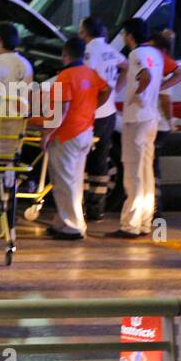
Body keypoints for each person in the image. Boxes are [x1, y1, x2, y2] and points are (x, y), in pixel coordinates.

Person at [42, 37, 110, 240]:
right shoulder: (91, 73)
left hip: (67, 135)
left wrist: (46, 134)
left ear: (65, 54)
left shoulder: (65, 76)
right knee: (75, 182)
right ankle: (65, 223)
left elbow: (61, 110)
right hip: (85, 132)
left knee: (64, 182)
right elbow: (107, 90)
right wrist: (91, 107)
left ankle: (72, 226)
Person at [110, 18, 163, 238]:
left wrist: (138, 95)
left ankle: (130, 225)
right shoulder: (156, 54)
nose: (123, 37)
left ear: (130, 35)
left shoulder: (136, 54)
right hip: (151, 118)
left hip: (137, 120)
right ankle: (144, 222)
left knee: (133, 173)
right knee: (146, 171)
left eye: (124, 33)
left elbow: (145, 76)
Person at [79, 16, 123, 220]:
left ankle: (82, 206)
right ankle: (97, 209)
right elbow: (126, 67)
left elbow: (84, 78)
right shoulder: (110, 49)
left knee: (83, 159)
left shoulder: (89, 51)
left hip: (93, 113)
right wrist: (117, 89)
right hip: (109, 113)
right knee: (100, 161)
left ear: (86, 32)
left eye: (81, 30)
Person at [147, 30, 181, 218]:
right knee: (152, 166)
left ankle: (156, 210)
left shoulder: (162, 68)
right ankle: (155, 208)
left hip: (158, 125)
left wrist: (170, 121)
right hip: (159, 124)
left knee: (152, 167)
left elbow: (165, 100)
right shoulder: (162, 66)